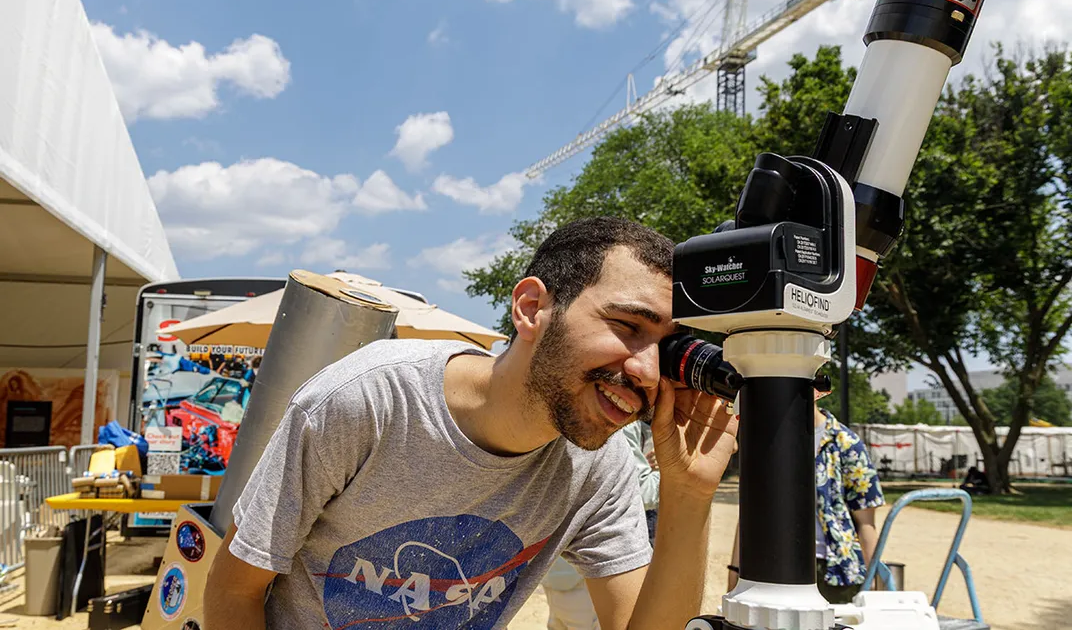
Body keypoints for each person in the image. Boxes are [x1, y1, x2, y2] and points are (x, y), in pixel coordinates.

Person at [204, 217, 738, 630]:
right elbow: (234, 591)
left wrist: (688, 493)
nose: (645, 369)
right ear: (531, 308)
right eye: (626, 326)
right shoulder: (366, 401)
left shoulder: (600, 468)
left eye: (665, 349)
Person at [728, 397, 884, 604]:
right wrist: (734, 573)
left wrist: (875, 584)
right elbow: (750, 515)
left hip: (835, 573)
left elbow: (866, 523)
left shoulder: (847, 444)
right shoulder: (767, 443)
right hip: (775, 568)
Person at [540, 420, 661, 629]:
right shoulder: (621, 423)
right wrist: (672, 473)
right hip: (588, 574)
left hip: (559, 568)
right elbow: (643, 492)